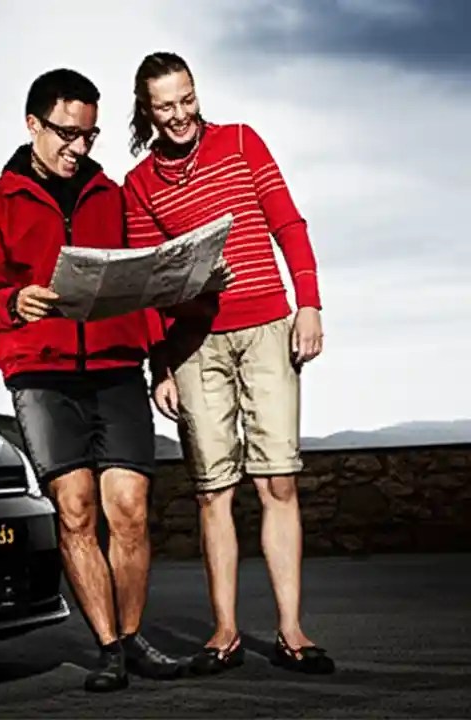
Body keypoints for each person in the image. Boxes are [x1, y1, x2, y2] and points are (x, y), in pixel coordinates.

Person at [0, 68, 185, 692]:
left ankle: (135, 639)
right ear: (33, 124)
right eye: (65, 133)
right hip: (41, 373)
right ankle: (108, 647)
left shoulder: (113, 198)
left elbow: (144, 288)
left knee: (131, 509)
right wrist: (14, 303)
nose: (77, 148)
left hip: (117, 368)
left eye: (88, 135)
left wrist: (161, 363)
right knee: (78, 510)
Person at [121, 51, 335, 676]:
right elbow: (150, 284)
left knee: (279, 481)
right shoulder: (138, 185)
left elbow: (287, 224)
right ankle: (224, 633)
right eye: (166, 105)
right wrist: (159, 364)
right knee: (214, 491)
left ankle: (292, 631)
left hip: (269, 326)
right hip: (193, 347)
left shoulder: (242, 141)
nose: (181, 113)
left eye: (187, 98)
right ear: (147, 111)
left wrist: (310, 304)